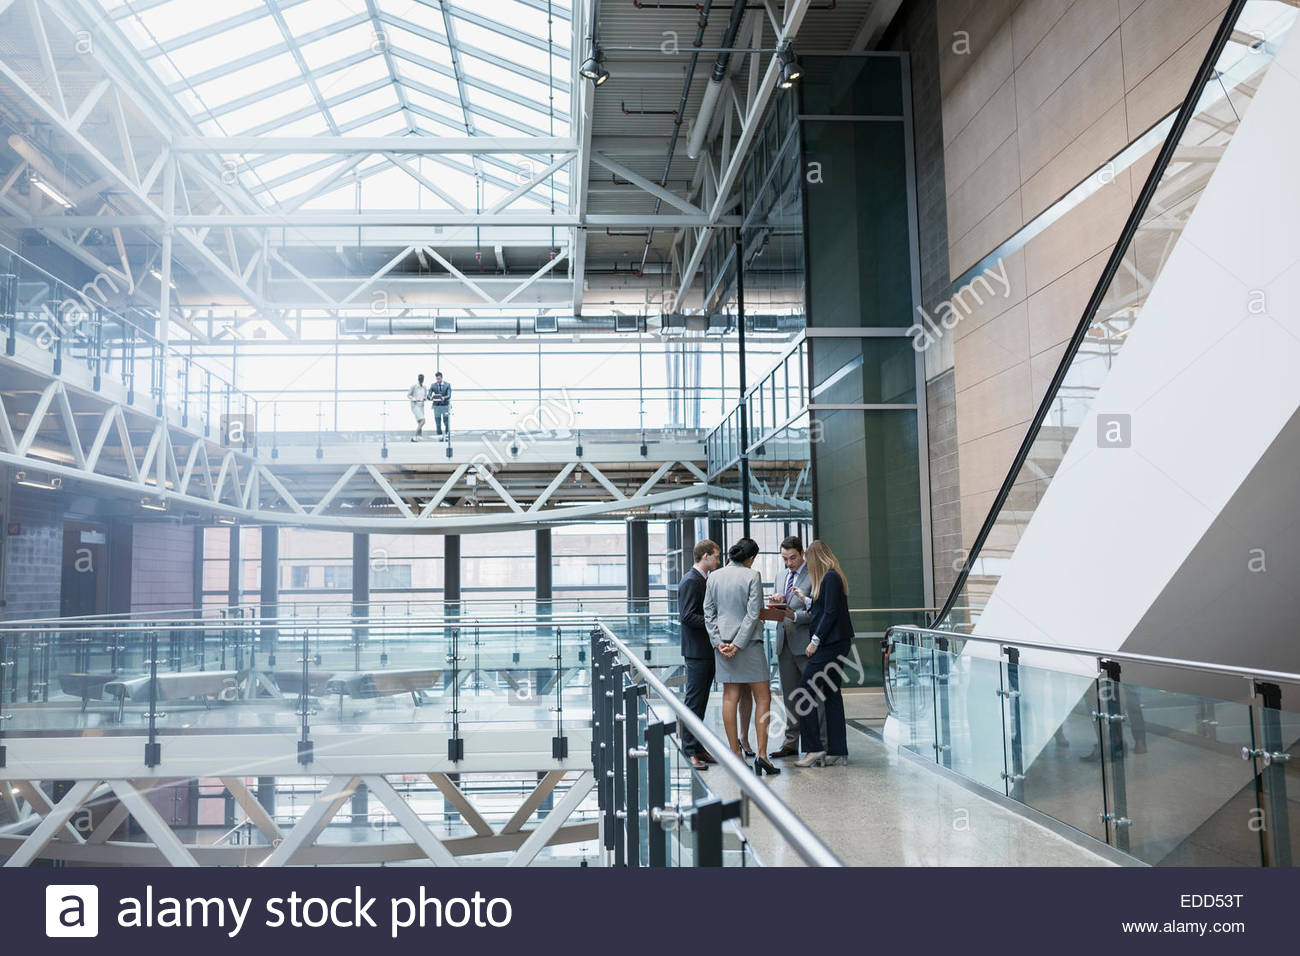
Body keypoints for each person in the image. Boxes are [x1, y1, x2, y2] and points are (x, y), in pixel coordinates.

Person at [704, 537, 780, 777]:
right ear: (751, 558)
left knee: (730, 696)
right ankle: (762, 756)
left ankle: (736, 754)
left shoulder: (714, 577)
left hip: (723, 644)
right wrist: (738, 644)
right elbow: (753, 614)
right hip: (749, 645)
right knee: (763, 698)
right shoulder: (752, 576)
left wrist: (719, 642)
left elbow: (708, 613)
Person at [791, 540, 852, 768]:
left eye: (809, 559)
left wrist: (815, 641)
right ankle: (837, 750)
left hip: (830, 645)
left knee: (803, 693)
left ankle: (813, 748)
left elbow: (830, 612)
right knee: (831, 694)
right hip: (836, 643)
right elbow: (822, 606)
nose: (808, 563)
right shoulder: (830, 578)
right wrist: (805, 600)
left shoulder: (830, 577)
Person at [768, 535, 823, 759]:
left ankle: (818, 744)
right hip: (784, 644)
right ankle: (791, 742)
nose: (788, 563)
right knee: (790, 696)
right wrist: (775, 602)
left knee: (813, 696)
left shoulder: (814, 575)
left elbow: (819, 612)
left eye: (792, 558)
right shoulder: (781, 575)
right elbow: (781, 610)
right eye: (785, 558)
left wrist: (795, 615)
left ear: (801, 554)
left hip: (806, 644)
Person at [677, 539, 721, 771]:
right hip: (697, 652)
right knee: (694, 702)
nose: (718, 560)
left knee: (700, 702)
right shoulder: (691, 581)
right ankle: (689, 750)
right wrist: (714, 623)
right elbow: (687, 616)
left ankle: (697, 747)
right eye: (716, 556)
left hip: (703, 650)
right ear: (705, 556)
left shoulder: (701, 579)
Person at [428, 371, 451, 441]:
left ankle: (447, 437)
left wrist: (444, 398)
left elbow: (449, 395)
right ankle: (440, 438)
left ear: (442, 378)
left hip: (445, 406)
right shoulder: (433, 385)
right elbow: (428, 395)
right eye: (437, 379)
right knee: (438, 423)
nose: (438, 380)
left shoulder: (447, 385)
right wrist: (431, 397)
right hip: (437, 407)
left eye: (439, 379)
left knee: (446, 423)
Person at [406, 374, 426, 440]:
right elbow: (408, 395)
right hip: (415, 405)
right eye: (420, 379)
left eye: (422, 379)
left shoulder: (424, 387)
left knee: (419, 421)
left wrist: (424, 398)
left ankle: (419, 436)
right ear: (418, 379)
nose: (421, 380)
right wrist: (414, 399)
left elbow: (425, 395)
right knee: (423, 421)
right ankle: (414, 436)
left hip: (421, 405)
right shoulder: (414, 386)